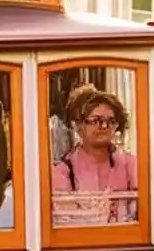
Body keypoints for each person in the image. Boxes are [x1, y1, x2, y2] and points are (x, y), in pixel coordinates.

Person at [51, 84, 139, 224]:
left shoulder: (130, 165)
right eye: (96, 121)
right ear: (78, 126)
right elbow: (65, 227)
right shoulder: (63, 172)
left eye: (110, 121)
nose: (104, 127)